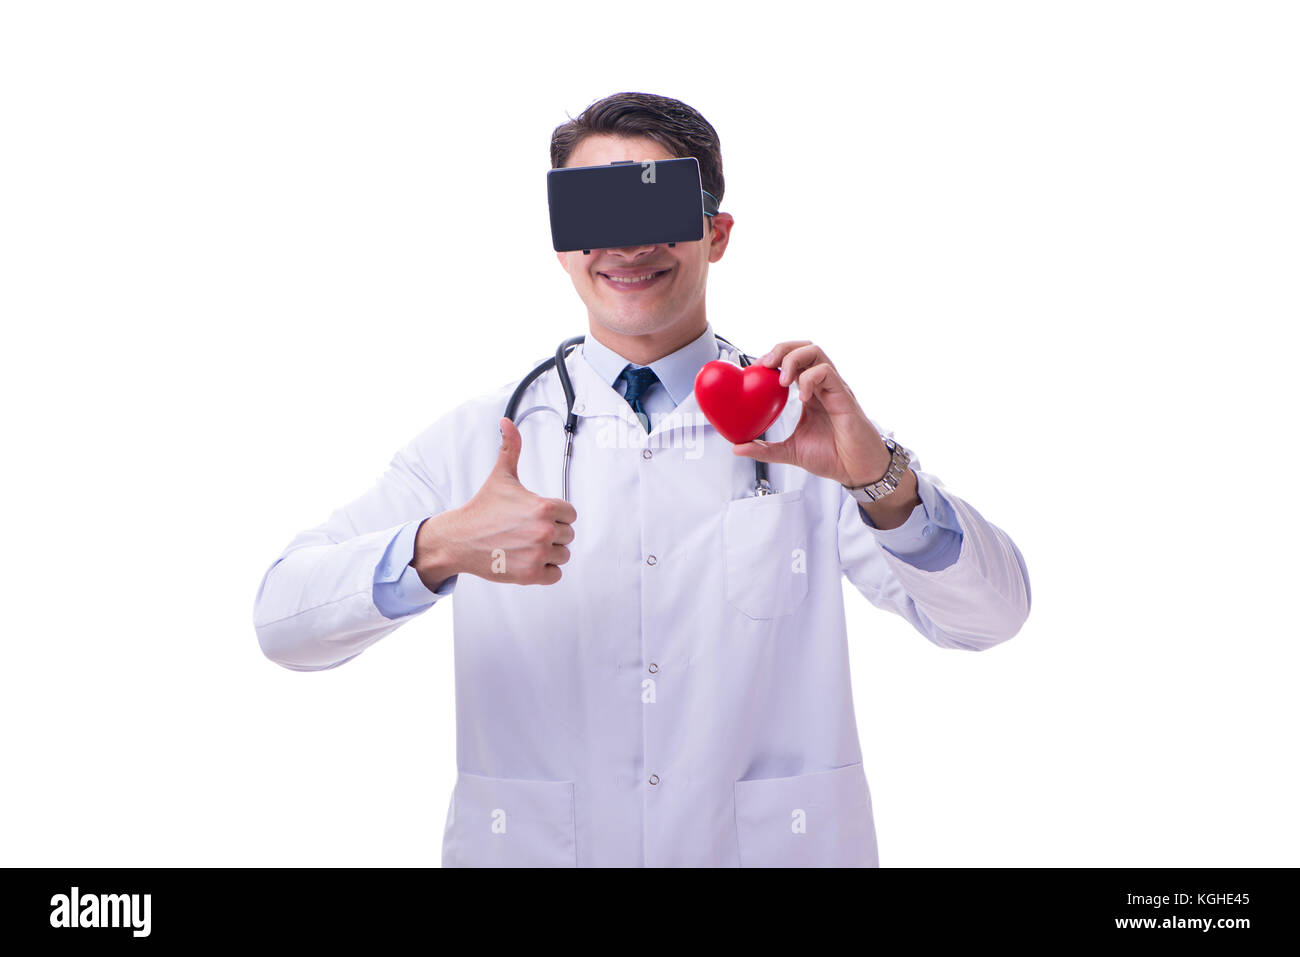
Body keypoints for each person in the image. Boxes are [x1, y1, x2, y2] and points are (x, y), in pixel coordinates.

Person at [252, 91, 1032, 867]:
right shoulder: (481, 440)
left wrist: (879, 481)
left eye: (652, 209)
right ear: (562, 242)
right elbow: (283, 620)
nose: (626, 248)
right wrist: (440, 546)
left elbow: (991, 617)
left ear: (716, 232)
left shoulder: (810, 432)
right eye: (596, 215)